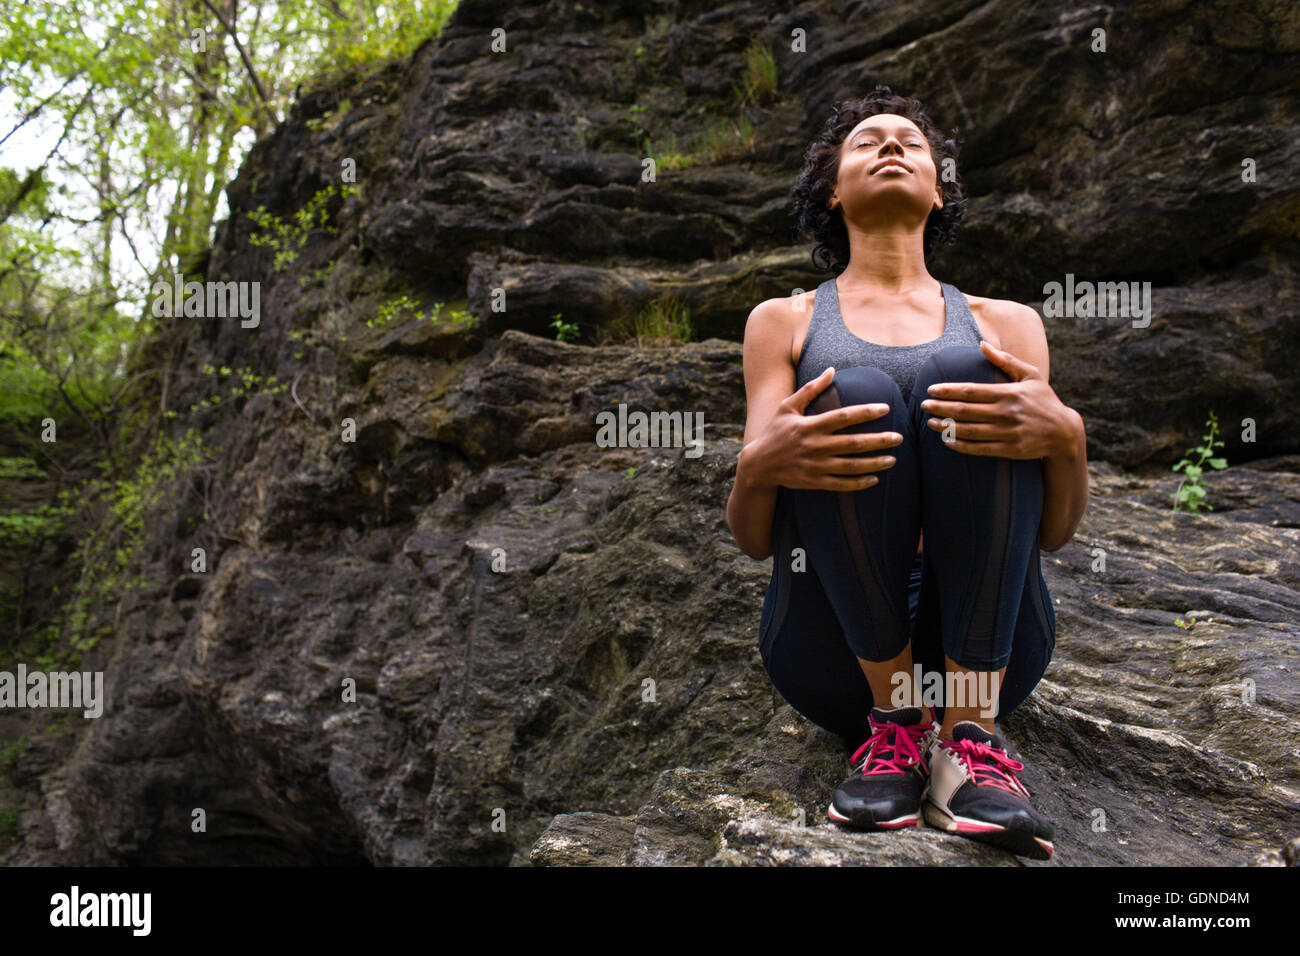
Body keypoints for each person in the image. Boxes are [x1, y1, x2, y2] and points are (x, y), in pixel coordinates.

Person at [726, 87, 1089, 860]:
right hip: (833, 653)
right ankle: (895, 727)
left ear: (939, 188)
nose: (890, 146)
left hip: (990, 645)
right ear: (832, 189)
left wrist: (1069, 437)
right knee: (852, 394)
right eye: (866, 142)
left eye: (910, 143)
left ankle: (969, 743)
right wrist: (762, 461)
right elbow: (755, 537)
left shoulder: (1007, 323)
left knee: (977, 379)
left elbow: (1052, 533)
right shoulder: (783, 321)